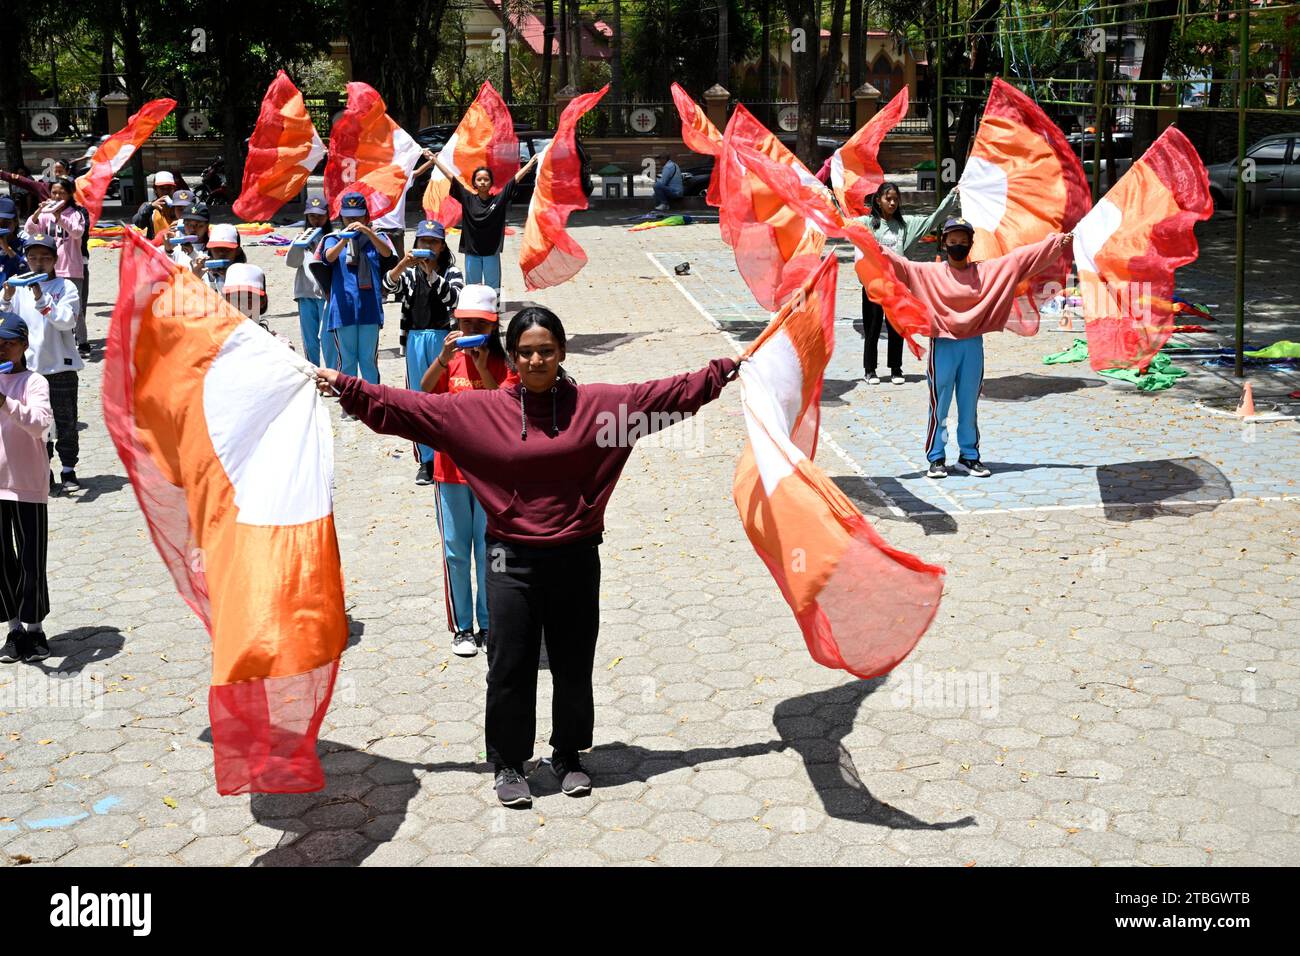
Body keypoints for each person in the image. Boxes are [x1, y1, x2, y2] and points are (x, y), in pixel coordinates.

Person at [313, 307, 741, 808]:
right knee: (510, 664)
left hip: (577, 557)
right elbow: (404, 408)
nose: (537, 359)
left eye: (547, 350)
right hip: (509, 560)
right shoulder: (479, 412)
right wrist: (347, 385)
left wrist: (726, 369)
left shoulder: (599, 410)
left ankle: (568, 755)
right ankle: (509, 762)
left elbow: (669, 395)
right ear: (512, 357)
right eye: (526, 351)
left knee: (573, 662)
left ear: (562, 352)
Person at [879, 217, 1073, 479]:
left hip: (972, 346)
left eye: (962, 241)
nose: (957, 245)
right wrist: (869, 244)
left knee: (969, 403)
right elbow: (900, 265)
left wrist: (1055, 242)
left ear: (971, 244)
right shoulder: (929, 272)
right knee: (940, 403)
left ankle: (969, 457)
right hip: (943, 345)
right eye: (952, 240)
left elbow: (1020, 259)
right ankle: (936, 458)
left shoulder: (985, 272)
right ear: (944, 243)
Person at [416, 284, 509, 655]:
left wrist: (485, 367)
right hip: (449, 470)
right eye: (465, 324)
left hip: (488, 473)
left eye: (479, 326)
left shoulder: (502, 362)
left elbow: (501, 403)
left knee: (490, 550)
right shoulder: (450, 359)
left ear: (493, 326)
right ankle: (462, 627)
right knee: (455, 550)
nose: (471, 332)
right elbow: (424, 391)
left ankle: (489, 624)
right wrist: (442, 357)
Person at [0, 233, 81, 493]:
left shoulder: (65, 287)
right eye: (33, 257)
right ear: (26, 258)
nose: (38, 263)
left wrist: (41, 298)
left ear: (56, 260)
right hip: (29, 370)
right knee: (39, 424)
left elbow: (66, 322)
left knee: (66, 421)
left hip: (60, 367)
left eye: (45, 258)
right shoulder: (18, 286)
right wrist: (7, 297)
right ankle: (44, 473)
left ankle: (69, 470)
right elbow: (7, 324)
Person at [856, 182, 959, 384]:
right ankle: (870, 370)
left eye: (896, 199)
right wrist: (827, 199)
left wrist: (952, 197)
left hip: (897, 286)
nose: (893, 202)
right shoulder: (866, 224)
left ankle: (896, 369)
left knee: (897, 328)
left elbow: (933, 220)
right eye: (888, 198)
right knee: (873, 327)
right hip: (873, 285)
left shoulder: (906, 225)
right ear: (878, 200)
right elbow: (842, 224)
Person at [385, 218, 463, 484]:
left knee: (446, 396)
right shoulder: (408, 273)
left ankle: (450, 453)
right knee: (418, 398)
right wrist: (402, 265)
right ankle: (426, 462)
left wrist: (432, 274)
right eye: (423, 241)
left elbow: (454, 299)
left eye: (433, 242)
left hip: (444, 340)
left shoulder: (452, 272)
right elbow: (388, 286)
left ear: (442, 246)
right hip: (416, 339)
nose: (427, 246)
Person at [0, 315, 54, 664]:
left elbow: (40, 425)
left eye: (9, 342)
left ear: (24, 346)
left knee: (32, 559)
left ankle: (35, 628)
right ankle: (14, 628)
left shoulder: (34, 382)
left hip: (28, 485)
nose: (3, 348)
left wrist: (5, 402)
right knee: (2, 560)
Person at [428, 153, 540, 297]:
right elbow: (451, 177)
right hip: (471, 252)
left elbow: (514, 180)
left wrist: (530, 164)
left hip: (491, 252)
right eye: (479, 179)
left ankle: (494, 313)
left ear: (491, 183)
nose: (482, 182)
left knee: (493, 289)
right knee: (472, 288)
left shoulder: (499, 200)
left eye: (486, 179)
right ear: (474, 183)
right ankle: (474, 312)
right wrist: (435, 160)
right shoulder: (467, 198)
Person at [321, 192, 395, 393]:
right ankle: (349, 402)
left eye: (358, 216)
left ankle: (372, 401)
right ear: (341, 216)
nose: (352, 220)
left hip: (369, 307)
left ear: (367, 217)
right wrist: (345, 240)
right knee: (347, 360)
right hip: (343, 308)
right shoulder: (333, 238)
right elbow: (328, 257)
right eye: (348, 216)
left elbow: (387, 253)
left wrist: (367, 232)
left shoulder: (378, 236)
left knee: (368, 359)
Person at [24, 178, 89, 355]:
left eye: (61, 192)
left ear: (69, 195)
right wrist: (39, 211)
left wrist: (59, 218)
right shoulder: (45, 214)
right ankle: (53, 340)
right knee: (49, 303)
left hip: (71, 267)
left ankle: (82, 342)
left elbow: (77, 233)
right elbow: (30, 229)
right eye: (54, 192)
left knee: (76, 307)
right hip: (49, 268)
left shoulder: (75, 213)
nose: (57, 196)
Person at [286, 193, 333, 368]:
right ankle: (314, 374)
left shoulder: (332, 238)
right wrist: (299, 244)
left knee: (328, 339)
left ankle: (331, 376)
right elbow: (292, 263)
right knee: (310, 341)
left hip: (326, 295)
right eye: (312, 216)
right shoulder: (300, 238)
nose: (316, 220)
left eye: (320, 216)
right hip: (305, 295)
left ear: (327, 216)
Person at [130, 171, 181, 240]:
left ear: (174, 189)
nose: (166, 191)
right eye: (162, 188)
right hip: (157, 247)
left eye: (169, 188)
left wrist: (183, 221)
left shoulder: (181, 205)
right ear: (155, 189)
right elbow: (138, 223)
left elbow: (195, 212)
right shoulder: (148, 206)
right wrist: (150, 207)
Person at [0, 197, 26, 285]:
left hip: (16, 295)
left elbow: (26, 271)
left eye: (6, 222)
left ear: (15, 222)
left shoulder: (26, 244)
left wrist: (8, 249)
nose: (2, 226)